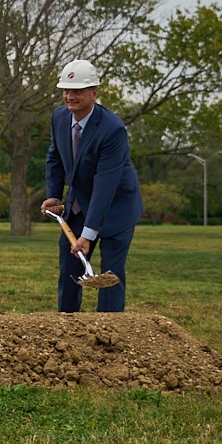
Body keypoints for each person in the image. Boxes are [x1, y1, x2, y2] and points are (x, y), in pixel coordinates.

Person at [40, 59, 142, 313]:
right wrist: (54, 195)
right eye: (66, 90)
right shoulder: (59, 117)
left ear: (94, 92)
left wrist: (87, 235)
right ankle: (67, 327)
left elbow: (105, 184)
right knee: (69, 272)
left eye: (77, 91)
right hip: (78, 204)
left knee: (109, 277)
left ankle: (107, 336)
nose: (70, 96)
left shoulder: (113, 129)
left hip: (117, 207)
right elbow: (55, 156)